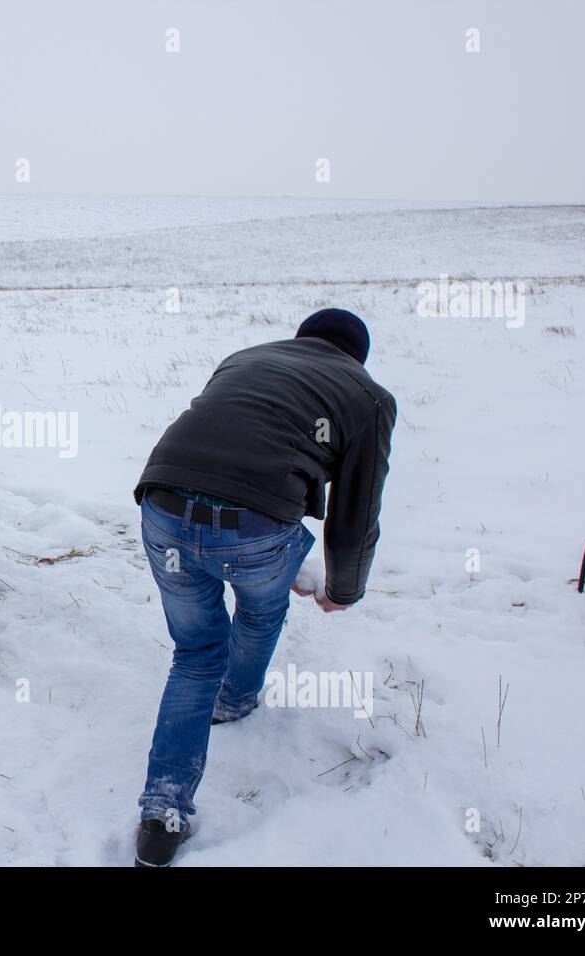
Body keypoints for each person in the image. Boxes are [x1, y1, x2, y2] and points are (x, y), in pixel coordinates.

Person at [131, 308, 397, 866]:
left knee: (196, 654)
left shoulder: (246, 357)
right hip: (255, 528)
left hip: (163, 505)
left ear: (302, 340)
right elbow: (355, 512)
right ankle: (235, 697)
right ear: (356, 358)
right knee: (258, 610)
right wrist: (343, 590)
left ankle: (162, 813)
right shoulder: (368, 397)